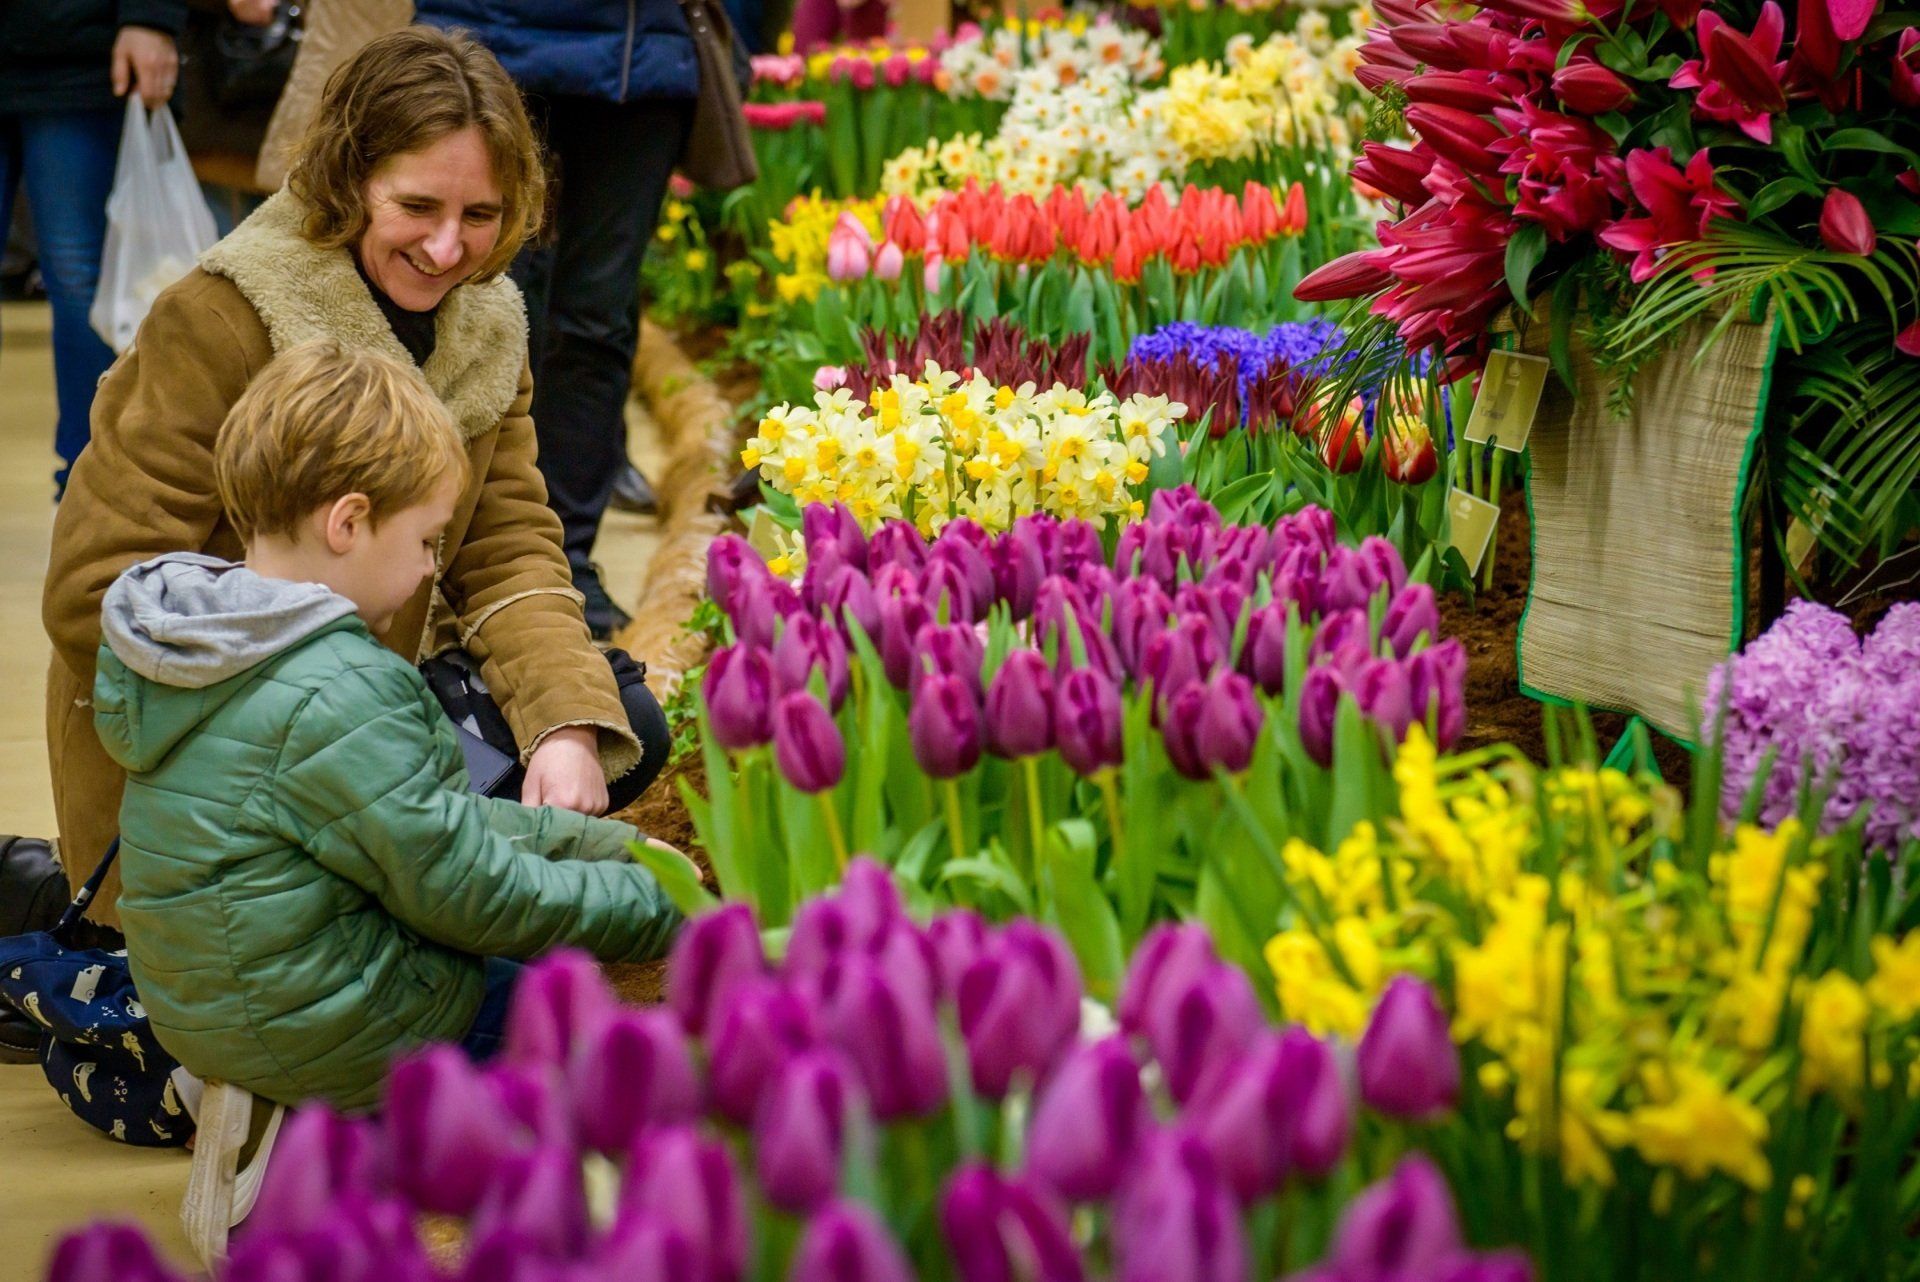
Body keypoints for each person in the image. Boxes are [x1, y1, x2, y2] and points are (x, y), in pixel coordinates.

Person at [43, 28, 673, 928]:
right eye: (417, 206)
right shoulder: (220, 320)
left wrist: (563, 728)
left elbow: (510, 550)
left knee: (621, 725)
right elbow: (91, 594)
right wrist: (344, 714)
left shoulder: (488, 322)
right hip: (219, 741)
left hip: (372, 715)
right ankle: (79, 908)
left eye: (483, 216)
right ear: (348, 182)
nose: (450, 248)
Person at [97, 338, 684, 1117]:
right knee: (582, 1021)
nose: (428, 571)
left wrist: (617, 849)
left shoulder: (202, 638)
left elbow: (439, 828)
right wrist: (666, 909)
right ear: (348, 523)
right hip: (336, 1028)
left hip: (213, 1008)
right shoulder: (342, 687)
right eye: (426, 542)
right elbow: (468, 891)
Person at [414, 0, 700, 637]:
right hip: (494, 44)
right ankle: (443, 547)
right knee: (480, 304)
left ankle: (564, 559)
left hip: (640, 60)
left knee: (597, 319)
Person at [1, 0, 184, 495]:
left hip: (80, 52)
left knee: (85, 283)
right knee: (82, 278)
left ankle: (91, 487)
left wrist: (150, 16)